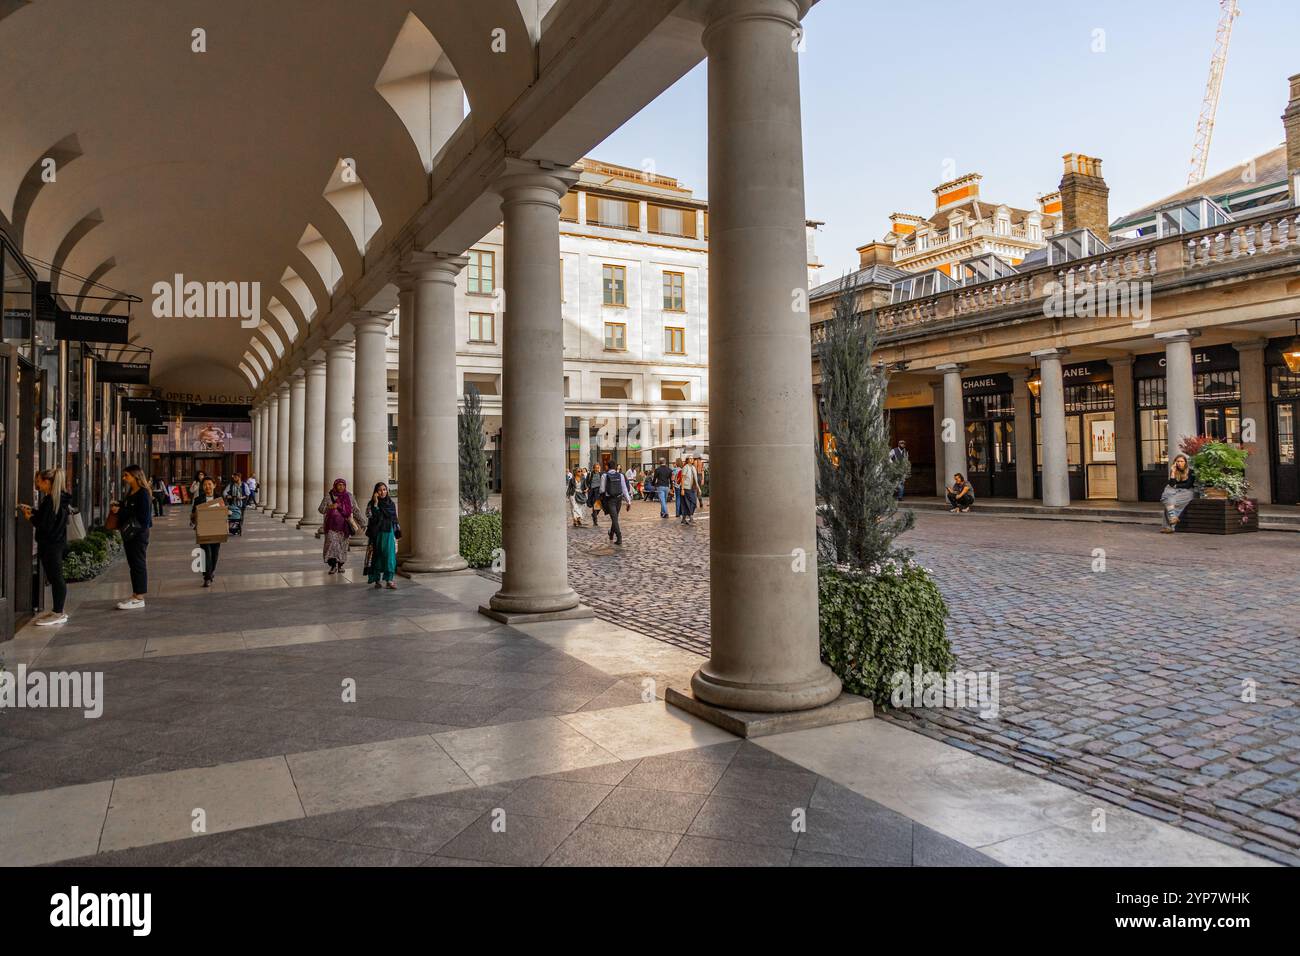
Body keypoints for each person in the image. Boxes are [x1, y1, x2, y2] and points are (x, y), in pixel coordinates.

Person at [20, 467, 72, 626]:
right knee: (56, 577)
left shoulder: (51, 501)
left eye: (39, 482)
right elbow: (49, 520)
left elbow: (46, 525)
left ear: (47, 482)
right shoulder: (57, 499)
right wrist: (34, 512)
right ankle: (57, 610)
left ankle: (58, 612)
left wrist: (30, 518)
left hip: (51, 545)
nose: (37, 486)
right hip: (55, 543)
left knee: (56, 578)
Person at [111, 464, 154, 609]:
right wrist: (120, 505)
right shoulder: (132, 491)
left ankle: (139, 596)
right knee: (133, 564)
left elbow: (143, 517)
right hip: (130, 533)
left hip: (138, 534)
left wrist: (121, 511)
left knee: (138, 564)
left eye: (126, 476)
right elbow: (130, 508)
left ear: (135, 476)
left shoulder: (143, 493)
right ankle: (136, 594)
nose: (124, 478)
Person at [190, 476, 227, 587]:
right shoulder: (198, 499)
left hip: (217, 529)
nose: (207, 487)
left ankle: (211, 572)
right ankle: (207, 577)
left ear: (214, 485)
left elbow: (225, 512)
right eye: (205, 484)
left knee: (215, 553)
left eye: (209, 484)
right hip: (204, 530)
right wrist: (195, 516)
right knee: (206, 552)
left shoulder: (220, 498)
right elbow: (192, 515)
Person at [319, 477, 360, 573]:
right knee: (331, 545)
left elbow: (356, 510)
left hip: (344, 526)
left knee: (342, 546)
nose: (341, 487)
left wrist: (363, 522)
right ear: (335, 486)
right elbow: (321, 509)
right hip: (331, 526)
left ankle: (340, 565)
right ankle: (333, 566)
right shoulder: (328, 496)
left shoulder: (349, 496)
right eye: (339, 485)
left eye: (343, 485)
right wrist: (329, 507)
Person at [365, 481, 400, 589]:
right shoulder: (371, 504)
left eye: (384, 489)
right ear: (376, 492)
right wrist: (375, 504)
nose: (382, 492)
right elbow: (370, 517)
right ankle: (376, 579)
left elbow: (394, 519)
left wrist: (397, 533)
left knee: (389, 556)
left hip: (389, 532)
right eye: (380, 490)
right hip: (377, 533)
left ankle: (389, 580)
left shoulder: (390, 503)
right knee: (377, 556)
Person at [1161, 454, 1197, 534]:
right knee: (1168, 498)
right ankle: (1173, 517)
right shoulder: (1174, 471)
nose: (1179, 463)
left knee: (1168, 503)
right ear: (1175, 462)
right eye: (1178, 461)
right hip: (1174, 490)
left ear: (1185, 462)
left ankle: (1168, 526)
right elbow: (1171, 484)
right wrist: (1173, 472)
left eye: (1181, 461)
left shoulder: (1190, 471)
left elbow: (1188, 485)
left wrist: (1176, 485)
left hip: (1187, 491)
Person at [601, 460, 633, 545]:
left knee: (614, 518)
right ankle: (611, 533)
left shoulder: (604, 475)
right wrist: (628, 501)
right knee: (615, 518)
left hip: (610, 500)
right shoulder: (621, 475)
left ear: (607, 466)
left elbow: (602, 489)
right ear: (615, 467)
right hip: (618, 499)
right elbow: (624, 489)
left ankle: (619, 537)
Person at [679, 457, 701, 524]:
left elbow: (695, 479)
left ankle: (685, 518)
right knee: (686, 503)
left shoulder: (693, 468)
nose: (692, 460)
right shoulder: (685, 467)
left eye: (692, 459)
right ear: (687, 460)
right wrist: (682, 489)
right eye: (690, 459)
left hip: (693, 488)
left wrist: (698, 488)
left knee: (693, 502)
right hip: (686, 487)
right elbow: (683, 478)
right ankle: (689, 517)